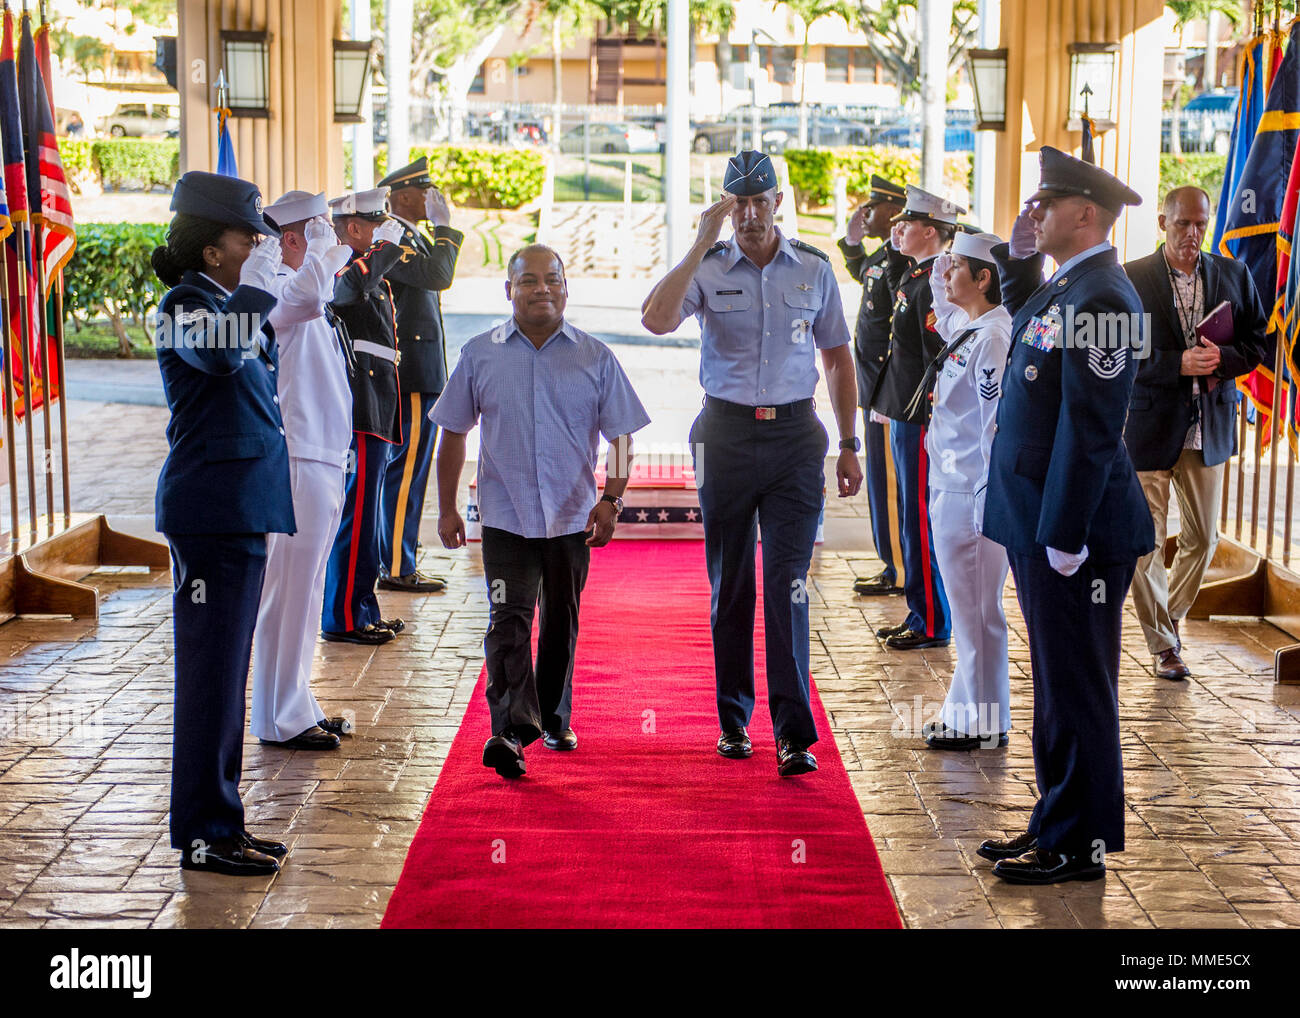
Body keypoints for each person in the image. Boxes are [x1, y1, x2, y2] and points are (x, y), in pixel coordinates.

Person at [641, 150, 863, 778]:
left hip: (796, 436)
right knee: (731, 581)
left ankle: (794, 734)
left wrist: (848, 443)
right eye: (736, 203)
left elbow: (838, 361)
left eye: (759, 200)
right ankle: (733, 722)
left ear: (778, 202)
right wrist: (697, 242)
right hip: (724, 433)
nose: (748, 214)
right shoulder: (708, 268)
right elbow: (656, 321)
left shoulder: (814, 270)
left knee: (789, 583)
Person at [978, 146, 1155, 884]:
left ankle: (1079, 842)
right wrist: (1017, 260)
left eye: (1045, 205)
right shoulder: (1068, 287)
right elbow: (1029, 334)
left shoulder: (1106, 298)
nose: (1033, 214)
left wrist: (1065, 533)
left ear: (1085, 214)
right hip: (1039, 516)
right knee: (1055, 680)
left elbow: (1091, 426)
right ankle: (1055, 820)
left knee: (1079, 683)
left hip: (1072, 529)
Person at [432, 244, 650, 779]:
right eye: (528, 280)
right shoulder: (480, 354)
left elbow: (621, 434)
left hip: (572, 517)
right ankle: (507, 731)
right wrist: (446, 509)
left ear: (566, 287)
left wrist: (612, 498)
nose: (541, 289)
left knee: (560, 621)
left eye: (552, 279)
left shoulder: (595, 356)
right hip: (505, 517)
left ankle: (553, 716)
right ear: (509, 290)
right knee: (507, 621)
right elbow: (453, 433)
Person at [151, 170, 293, 876]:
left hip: (236, 508)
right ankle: (204, 832)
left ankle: (222, 821)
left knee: (227, 670)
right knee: (210, 676)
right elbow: (218, 356)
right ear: (213, 251)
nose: (257, 249)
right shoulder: (186, 304)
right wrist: (259, 289)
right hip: (211, 513)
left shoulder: (220, 301)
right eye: (249, 239)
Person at [1123, 186, 1268, 681]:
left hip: (1209, 425)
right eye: (1182, 223)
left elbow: (1256, 342)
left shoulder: (1233, 273)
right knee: (1144, 541)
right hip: (1148, 424)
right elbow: (1116, 353)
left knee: (1203, 539)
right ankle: (1164, 645)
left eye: (1200, 224)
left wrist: (1222, 361)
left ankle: (1169, 620)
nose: (1192, 234)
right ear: (1163, 222)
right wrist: (1175, 363)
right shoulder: (1132, 277)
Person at [249, 190, 355, 751]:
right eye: (318, 229)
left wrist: (325, 250)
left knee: (306, 588)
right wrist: (320, 249)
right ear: (292, 237)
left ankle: (294, 702)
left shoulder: (297, 287)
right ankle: (279, 716)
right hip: (296, 456)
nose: (330, 237)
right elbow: (312, 293)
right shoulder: (273, 290)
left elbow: (324, 285)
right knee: (288, 591)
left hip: (320, 453)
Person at [912, 231, 1012, 750]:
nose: (947, 274)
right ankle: (969, 710)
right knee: (971, 610)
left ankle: (986, 722)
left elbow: (995, 424)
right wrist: (940, 264)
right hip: (949, 483)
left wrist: (985, 498)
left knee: (976, 613)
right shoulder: (973, 326)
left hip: (970, 491)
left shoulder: (994, 337)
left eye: (956, 268)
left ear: (984, 278)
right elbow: (942, 307)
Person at [871, 184, 964, 651]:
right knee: (911, 514)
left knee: (919, 518)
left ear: (931, 231)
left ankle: (931, 621)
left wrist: (924, 412)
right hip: (904, 410)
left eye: (907, 223)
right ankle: (920, 611)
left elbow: (937, 355)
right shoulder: (916, 275)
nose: (898, 229)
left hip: (919, 414)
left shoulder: (934, 282)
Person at [321, 187, 407, 645]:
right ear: (353, 229)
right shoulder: (339, 265)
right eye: (377, 225)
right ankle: (343, 617)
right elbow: (345, 291)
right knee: (355, 515)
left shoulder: (368, 268)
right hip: (359, 406)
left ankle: (364, 606)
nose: (386, 231)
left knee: (368, 515)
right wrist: (384, 249)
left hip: (376, 403)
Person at [375, 157, 464, 593]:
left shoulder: (409, 234)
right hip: (410, 370)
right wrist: (446, 230)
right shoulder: (394, 234)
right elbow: (438, 276)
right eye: (427, 192)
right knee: (406, 471)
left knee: (407, 470)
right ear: (404, 196)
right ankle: (395, 565)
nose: (435, 199)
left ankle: (396, 557)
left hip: (419, 368)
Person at [838, 174, 910, 597]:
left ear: (895, 211)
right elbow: (861, 271)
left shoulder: (902, 260)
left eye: (874, 207)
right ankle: (892, 563)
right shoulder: (884, 256)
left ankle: (899, 568)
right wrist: (851, 242)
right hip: (873, 388)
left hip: (886, 391)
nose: (866, 212)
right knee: (882, 488)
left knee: (889, 487)